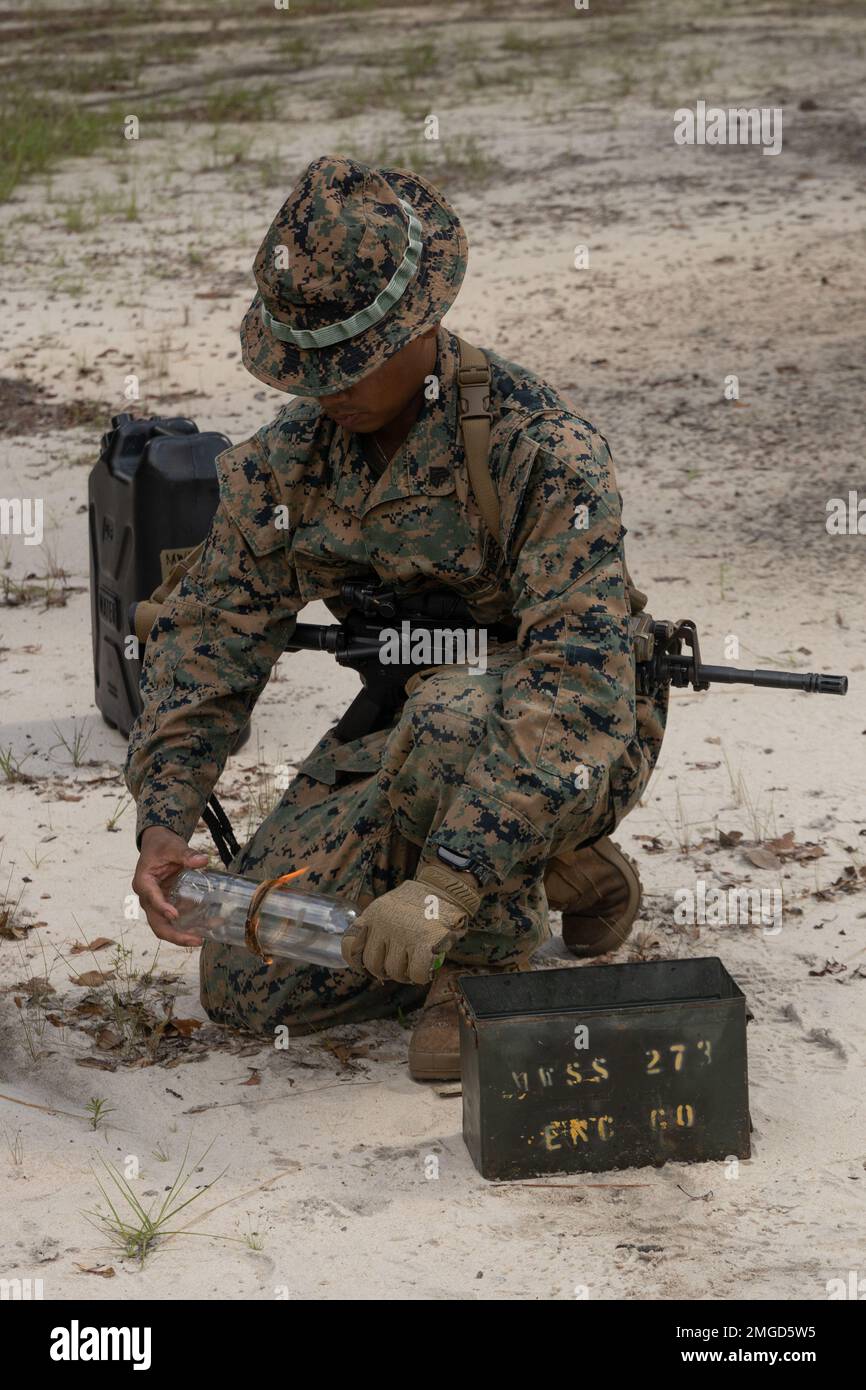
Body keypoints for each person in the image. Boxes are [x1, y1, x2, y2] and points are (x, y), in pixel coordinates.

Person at [125, 154, 668, 1081]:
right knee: (245, 985)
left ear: (422, 321)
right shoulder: (286, 468)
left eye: (349, 358)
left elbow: (580, 687)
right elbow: (210, 634)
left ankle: (481, 965)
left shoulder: (541, 450)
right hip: (407, 729)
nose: (326, 386)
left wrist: (448, 884)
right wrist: (164, 818)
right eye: (308, 362)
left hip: (573, 740)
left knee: (455, 712)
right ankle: (562, 871)